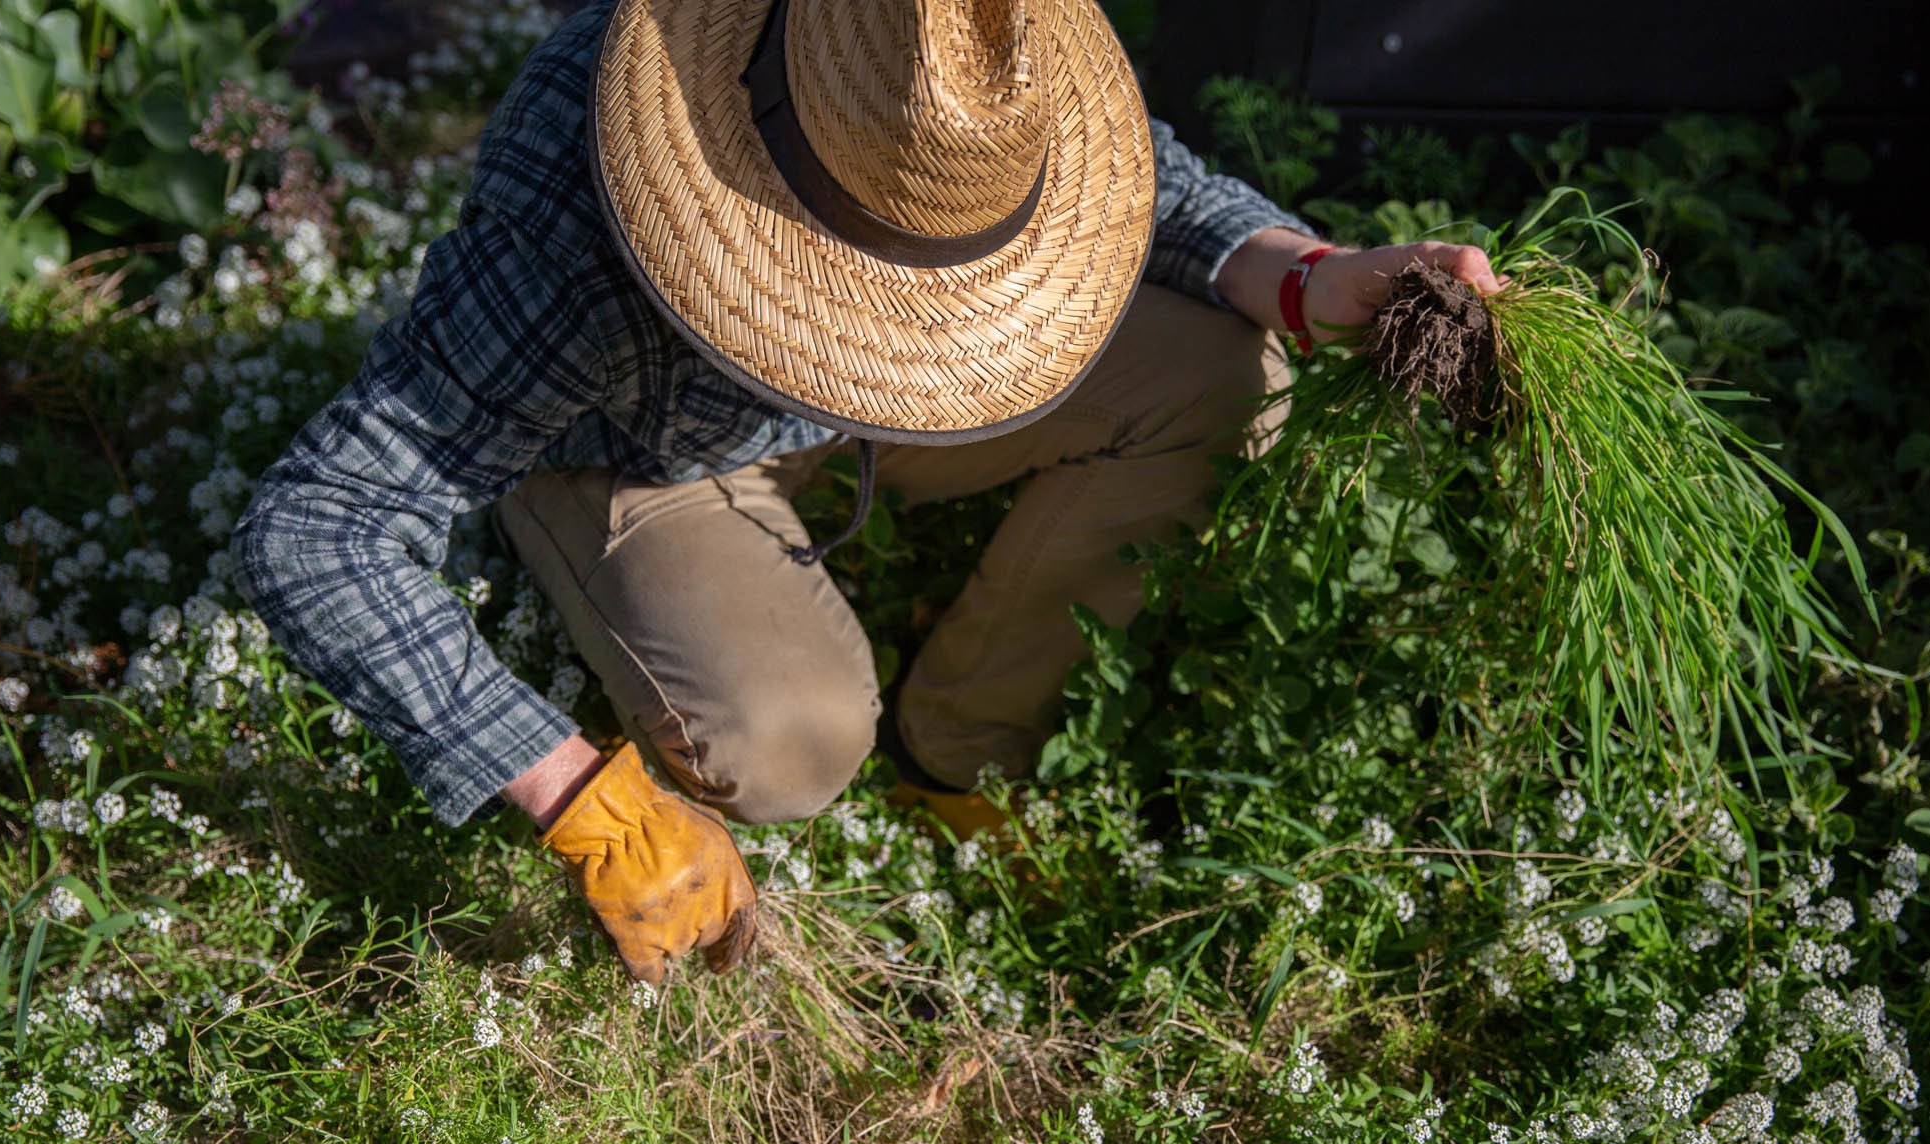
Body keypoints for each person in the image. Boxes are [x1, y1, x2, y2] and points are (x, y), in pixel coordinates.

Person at [232, 0, 1505, 984]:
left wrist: (1302, 273)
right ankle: (560, 533)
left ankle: (959, 755)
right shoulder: (580, 205)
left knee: (1230, 378)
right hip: (639, 446)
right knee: (785, 743)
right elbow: (317, 526)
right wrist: (574, 795)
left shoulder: (963, 54)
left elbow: (1148, 186)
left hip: (872, 401)